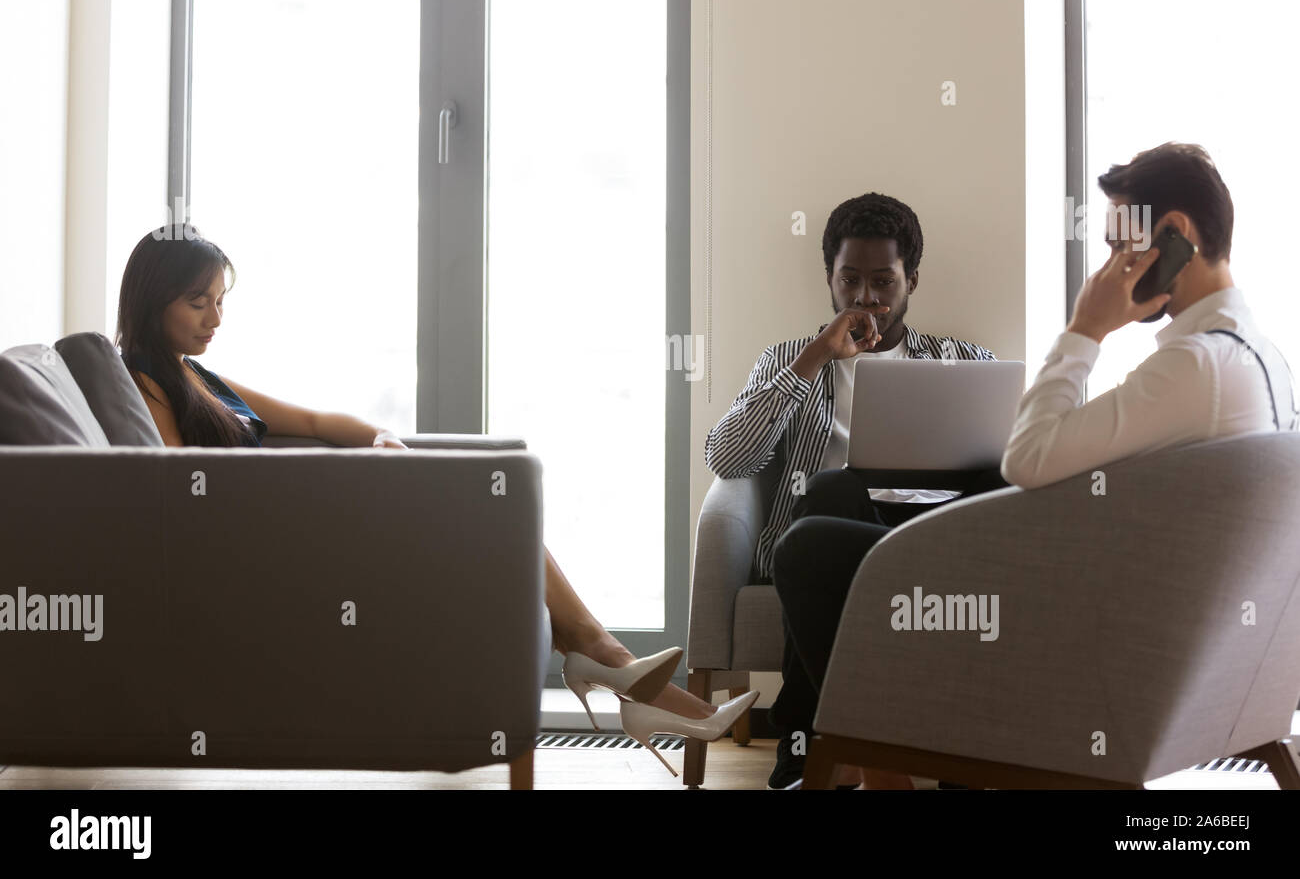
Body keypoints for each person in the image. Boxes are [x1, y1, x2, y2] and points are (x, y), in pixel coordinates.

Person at [115, 225, 758, 778]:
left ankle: (610, 663)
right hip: (284, 555)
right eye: (198, 302)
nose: (216, 319)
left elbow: (312, 420)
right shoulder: (146, 386)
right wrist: (324, 496)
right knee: (493, 511)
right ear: (153, 302)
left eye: (220, 301)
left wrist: (380, 437)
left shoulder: (194, 376)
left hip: (304, 529)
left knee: (499, 517)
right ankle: (618, 671)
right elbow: (192, 500)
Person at [774, 142, 1297, 790]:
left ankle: (884, 767)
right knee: (832, 492)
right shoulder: (1260, 358)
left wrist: (1087, 329)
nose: (1112, 267)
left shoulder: (1194, 368)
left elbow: (1028, 457)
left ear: (1175, 235)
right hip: (1149, 625)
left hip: (1080, 637)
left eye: (1118, 245)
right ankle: (878, 758)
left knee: (810, 550)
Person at [703, 192, 1006, 789]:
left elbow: (1012, 454)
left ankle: (961, 747)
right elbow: (727, 456)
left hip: (929, 539)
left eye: (883, 281)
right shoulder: (791, 360)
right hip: (831, 532)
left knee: (995, 484)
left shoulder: (959, 361)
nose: (866, 297)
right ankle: (808, 742)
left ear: (911, 279)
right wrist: (817, 358)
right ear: (829, 281)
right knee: (831, 489)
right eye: (850, 280)